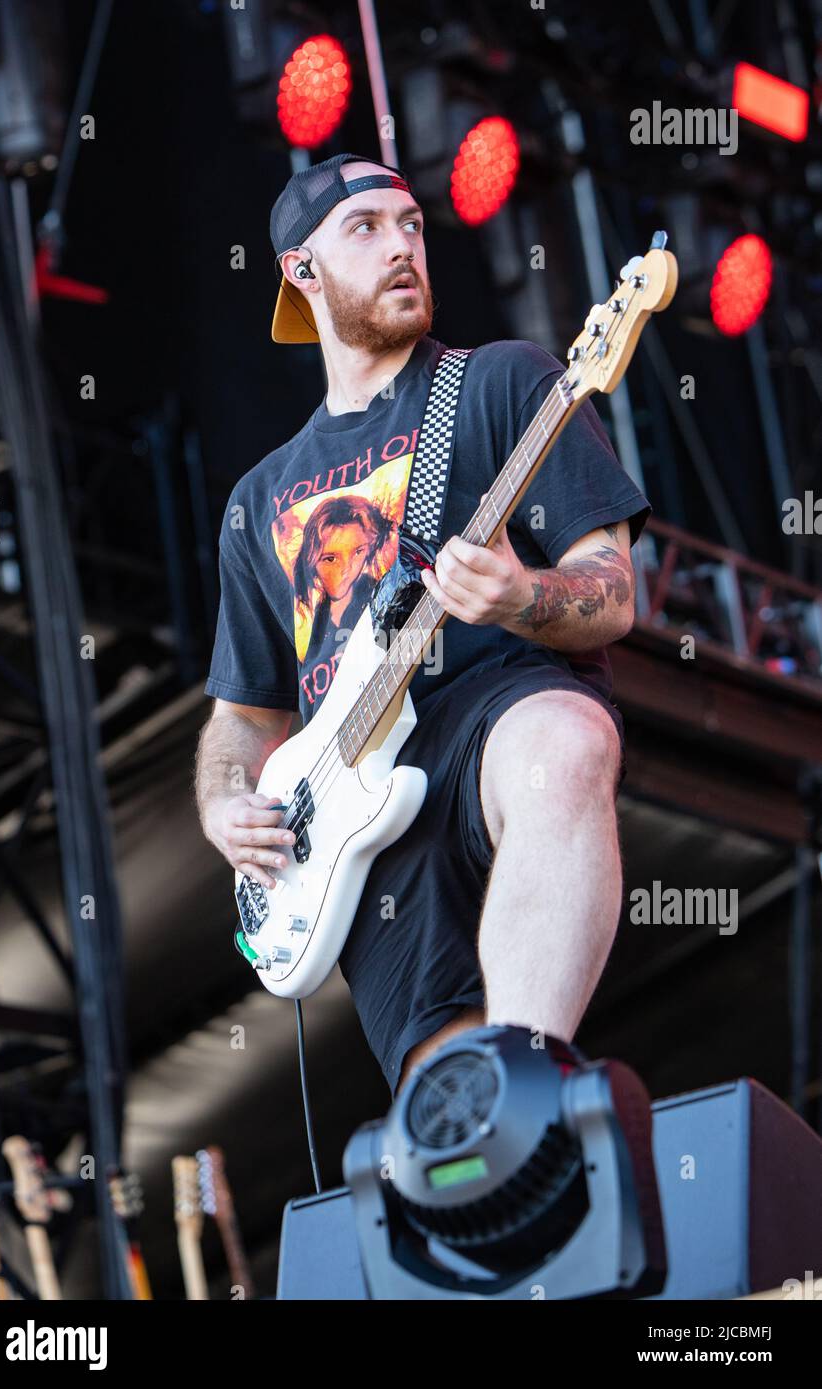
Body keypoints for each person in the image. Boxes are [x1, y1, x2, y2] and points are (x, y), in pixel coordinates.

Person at [195, 151, 651, 1100]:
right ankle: (497, 1136)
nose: (404, 246)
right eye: (366, 229)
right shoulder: (259, 496)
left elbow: (611, 592)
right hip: (353, 803)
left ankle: (530, 1074)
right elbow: (245, 714)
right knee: (446, 1117)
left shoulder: (502, 382)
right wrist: (223, 803)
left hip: (491, 707)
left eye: (412, 225)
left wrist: (521, 597)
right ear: (301, 272)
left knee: (565, 742)